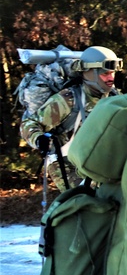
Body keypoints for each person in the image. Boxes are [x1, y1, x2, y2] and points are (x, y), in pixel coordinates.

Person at [20, 45, 121, 189]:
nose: (111, 78)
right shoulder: (68, 99)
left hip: (99, 160)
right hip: (67, 163)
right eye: (105, 74)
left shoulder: (114, 97)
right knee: (86, 202)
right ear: (90, 73)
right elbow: (29, 124)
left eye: (113, 73)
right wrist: (38, 139)